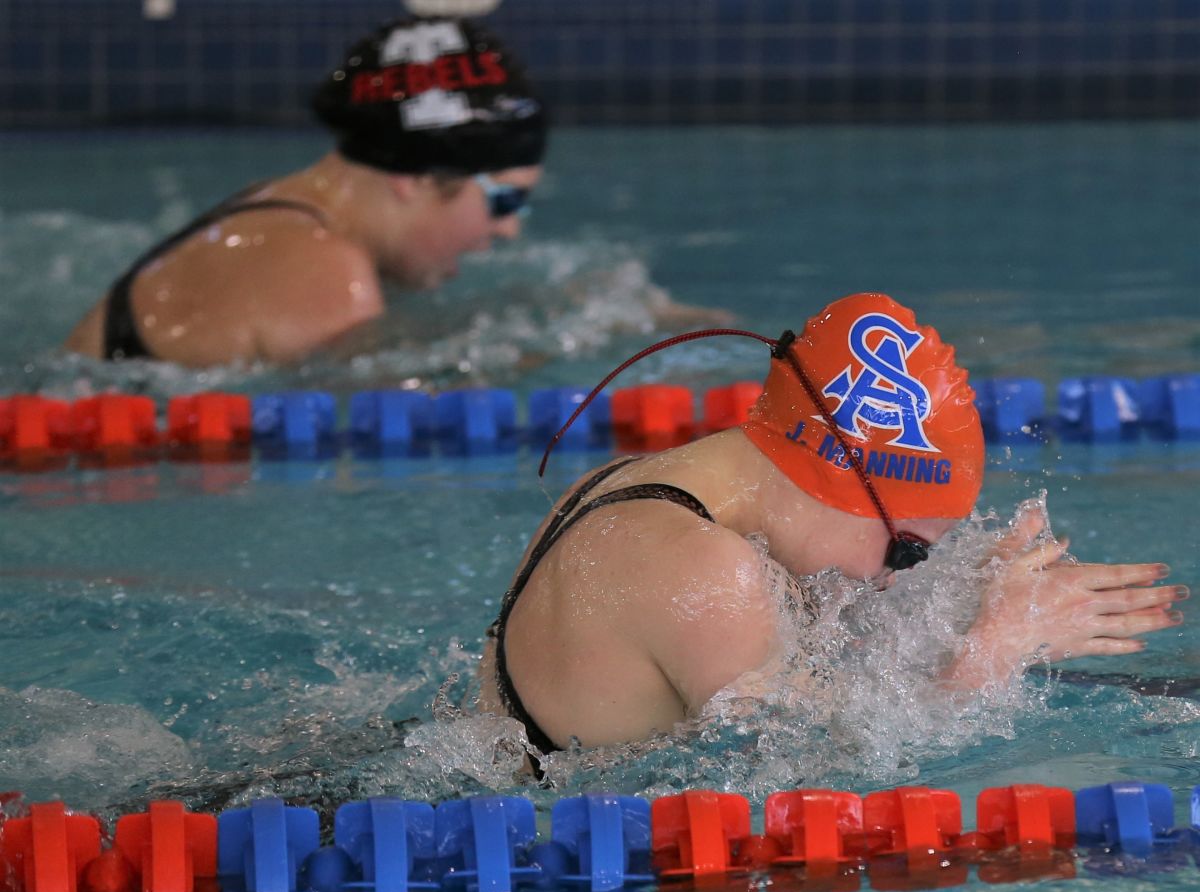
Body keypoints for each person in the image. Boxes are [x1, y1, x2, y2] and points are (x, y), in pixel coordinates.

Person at [478, 292, 1189, 754]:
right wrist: (991, 654)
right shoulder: (707, 575)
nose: (884, 585)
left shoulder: (618, 489)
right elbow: (824, 798)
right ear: (845, 485)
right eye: (907, 554)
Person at [64, 16, 548, 368]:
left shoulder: (277, 209)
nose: (508, 228)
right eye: (505, 200)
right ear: (415, 177)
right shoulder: (324, 268)